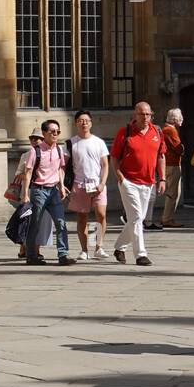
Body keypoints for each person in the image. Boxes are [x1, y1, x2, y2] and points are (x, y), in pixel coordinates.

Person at [110, 101, 167, 267]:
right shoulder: (125, 132)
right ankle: (141, 254)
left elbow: (161, 156)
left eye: (148, 114)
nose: (146, 117)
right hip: (129, 181)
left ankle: (119, 247)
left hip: (148, 182)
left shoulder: (157, 131)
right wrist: (120, 176)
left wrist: (162, 178)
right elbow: (114, 156)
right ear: (135, 115)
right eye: (142, 114)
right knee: (136, 216)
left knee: (138, 218)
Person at [20, 119, 77, 267]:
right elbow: (28, 173)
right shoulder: (35, 151)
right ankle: (31, 255)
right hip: (39, 191)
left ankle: (63, 255)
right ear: (44, 133)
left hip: (53, 191)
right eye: (52, 132)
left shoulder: (59, 149)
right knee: (35, 224)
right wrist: (25, 194)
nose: (55, 134)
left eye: (57, 132)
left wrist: (62, 185)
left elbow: (60, 169)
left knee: (61, 222)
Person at [67, 111, 110, 260]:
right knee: (82, 217)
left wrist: (102, 183)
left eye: (86, 120)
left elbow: (105, 164)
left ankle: (98, 247)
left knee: (101, 214)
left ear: (91, 123)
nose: (84, 123)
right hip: (80, 184)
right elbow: (64, 165)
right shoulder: (71, 143)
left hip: (97, 184)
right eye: (80, 120)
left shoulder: (99, 142)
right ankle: (84, 249)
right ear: (75, 123)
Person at [11, 128, 44, 259]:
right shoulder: (25, 155)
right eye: (33, 138)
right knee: (26, 221)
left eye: (38, 138)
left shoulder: (47, 154)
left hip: (41, 191)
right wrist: (27, 174)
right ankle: (23, 247)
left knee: (38, 222)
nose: (35, 141)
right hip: (28, 191)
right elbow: (18, 174)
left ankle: (36, 249)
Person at [153, 108, 185, 228]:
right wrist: (183, 148)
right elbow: (178, 148)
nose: (182, 120)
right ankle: (167, 219)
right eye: (180, 118)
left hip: (169, 164)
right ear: (175, 119)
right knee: (173, 192)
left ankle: (168, 217)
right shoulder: (170, 131)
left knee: (174, 192)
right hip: (172, 164)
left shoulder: (165, 129)